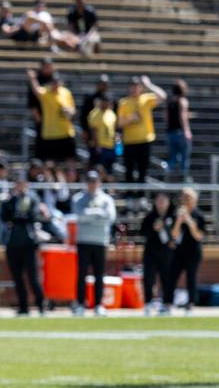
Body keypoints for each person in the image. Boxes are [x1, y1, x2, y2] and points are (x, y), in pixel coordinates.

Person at [0, 173, 48, 316]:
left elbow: (32, 216)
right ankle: (23, 306)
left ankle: (40, 304)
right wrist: (17, 217)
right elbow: (5, 216)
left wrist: (17, 218)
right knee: (17, 277)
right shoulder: (10, 200)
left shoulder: (32, 198)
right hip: (13, 243)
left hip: (29, 243)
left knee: (33, 277)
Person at [72, 170, 116, 316]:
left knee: (99, 275)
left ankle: (98, 304)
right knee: (81, 274)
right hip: (83, 240)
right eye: (89, 181)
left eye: (94, 181)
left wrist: (90, 213)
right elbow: (79, 216)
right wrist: (97, 214)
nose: (92, 184)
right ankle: (79, 304)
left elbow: (109, 217)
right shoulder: (78, 198)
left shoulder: (107, 199)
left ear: (99, 182)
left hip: (100, 241)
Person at [118, 76, 166, 183]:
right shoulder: (123, 102)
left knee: (143, 170)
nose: (135, 88)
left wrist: (149, 85)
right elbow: (120, 123)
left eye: (137, 86)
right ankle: (129, 195)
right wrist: (131, 118)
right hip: (129, 141)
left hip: (144, 141)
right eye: (132, 86)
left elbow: (163, 96)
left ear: (141, 87)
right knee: (129, 170)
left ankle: (141, 196)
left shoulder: (146, 98)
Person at [28, 69, 77, 171]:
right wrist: (33, 78)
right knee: (50, 161)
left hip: (65, 131)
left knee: (70, 159)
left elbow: (72, 110)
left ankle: (71, 182)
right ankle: (52, 183)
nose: (55, 84)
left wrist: (68, 111)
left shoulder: (66, 92)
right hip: (50, 133)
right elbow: (36, 90)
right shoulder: (46, 92)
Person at [169, 187, 206, 313]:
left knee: (191, 277)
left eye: (187, 198)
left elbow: (199, 236)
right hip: (179, 251)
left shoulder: (198, 215)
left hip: (193, 251)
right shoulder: (176, 214)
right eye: (183, 197)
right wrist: (179, 221)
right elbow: (174, 235)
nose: (184, 200)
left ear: (194, 200)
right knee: (172, 276)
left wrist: (189, 220)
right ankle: (168, 302)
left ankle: (191, 303)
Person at [140, 190, 175, 315]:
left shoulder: (172, 216)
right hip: (151, 253)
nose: (161, 203)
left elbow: (174, 236)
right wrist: (153, 229)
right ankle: (148, 303)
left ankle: (167, 304)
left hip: (166, 253)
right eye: (159, 200)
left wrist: (165, 228)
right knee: (148, 279)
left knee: (167, 279)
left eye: (163, 200)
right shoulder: (150, 216)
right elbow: (143, 233)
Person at [165, 79, 193, 180]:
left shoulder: (170, 101)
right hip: (181, 133)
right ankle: (183, 180)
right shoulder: (183, 101)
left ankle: (168, 178)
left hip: (170, 133)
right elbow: (183, 116)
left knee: (172, 158)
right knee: (184, 159)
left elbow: (166, 117)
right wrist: (187, 131)